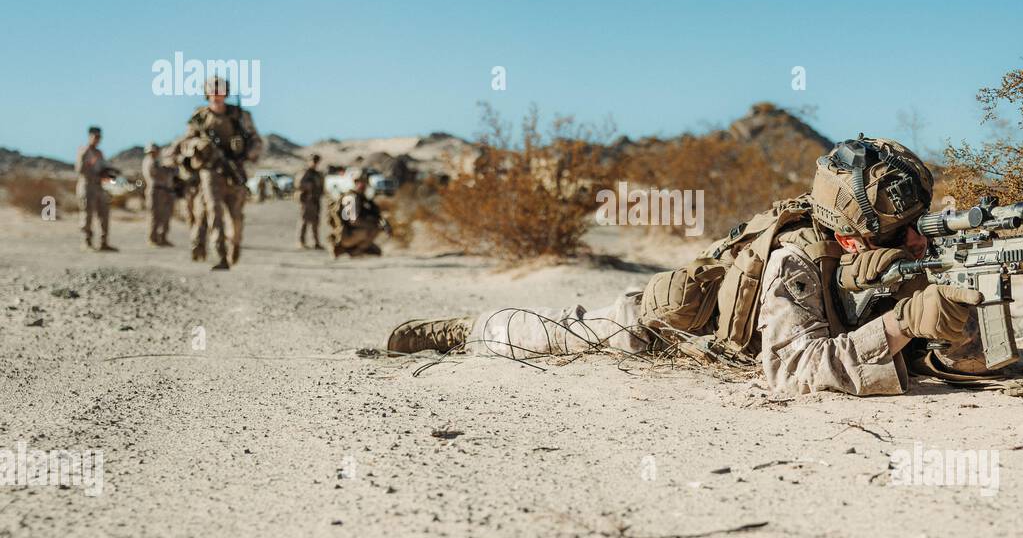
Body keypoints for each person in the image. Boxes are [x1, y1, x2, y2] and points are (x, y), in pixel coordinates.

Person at [386, 136, 984, 398]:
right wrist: (904, 323)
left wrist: (957, 311)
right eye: (900, 232)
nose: (916, 241)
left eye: (920, 225)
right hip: (662, 330)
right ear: (851, 240)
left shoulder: (904, 255)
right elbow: (795, 371)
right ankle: (471, 328)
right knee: (554, 334)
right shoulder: (795, 259)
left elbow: (963, 359)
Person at [176, 75, 262, 271]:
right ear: (206, 92)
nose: (216, 93)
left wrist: (246, 152)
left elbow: (256, 141)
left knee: (236, 217)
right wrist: (199, 146)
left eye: (220, 89)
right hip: (210, 172)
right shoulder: (200, 117)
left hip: (234, 171)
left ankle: (235, 246)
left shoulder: (239, 115)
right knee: (214, 212)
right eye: (213, 89)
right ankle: (220, 255)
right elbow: (185, 143)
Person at [328, 169, 389, 257]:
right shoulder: (352, 197)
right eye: (362, 182)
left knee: (377, 251)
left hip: (351, 233)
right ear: (356, 183)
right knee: (375, 228)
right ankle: (353, 250)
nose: (364, 185)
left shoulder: (360, 197)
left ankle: (355, 248)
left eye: (365, 182)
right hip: (346, 235)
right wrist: (373, 223)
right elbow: (354, 221)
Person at [75, 125, 116, 252]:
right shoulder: (84, 151)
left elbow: (104, 168)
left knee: (104, 214)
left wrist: (109, 174)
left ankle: (104, 243)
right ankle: (86, 242)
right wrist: (94, 172)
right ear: (90, 136)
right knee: (87, 215)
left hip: (99, 187)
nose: (98, 139)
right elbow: (80, 170)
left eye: (99, 137)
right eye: (96, 136)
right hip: (87, 186)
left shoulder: (99, 153)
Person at [142, 143, 176, 247]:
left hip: (162, 191)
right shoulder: (150, 162)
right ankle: (152, 239)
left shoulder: (157, 161)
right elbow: (157, 173)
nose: (153, 153)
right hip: (154, 190)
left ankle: (162, 238)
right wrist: (167, 170)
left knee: (163, 215)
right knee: (154, 215)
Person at [296, 154, 325, 250]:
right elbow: (299, 184)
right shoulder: (305, 173)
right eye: (314, 161)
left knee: (315, 222)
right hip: (307, 200)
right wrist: (309, 186)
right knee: (304, 221)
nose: (315, 163)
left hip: (315, 200)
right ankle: (301, 242)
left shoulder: (316, 174)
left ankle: (316, 242)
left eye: (316, 161)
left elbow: (321, 186)